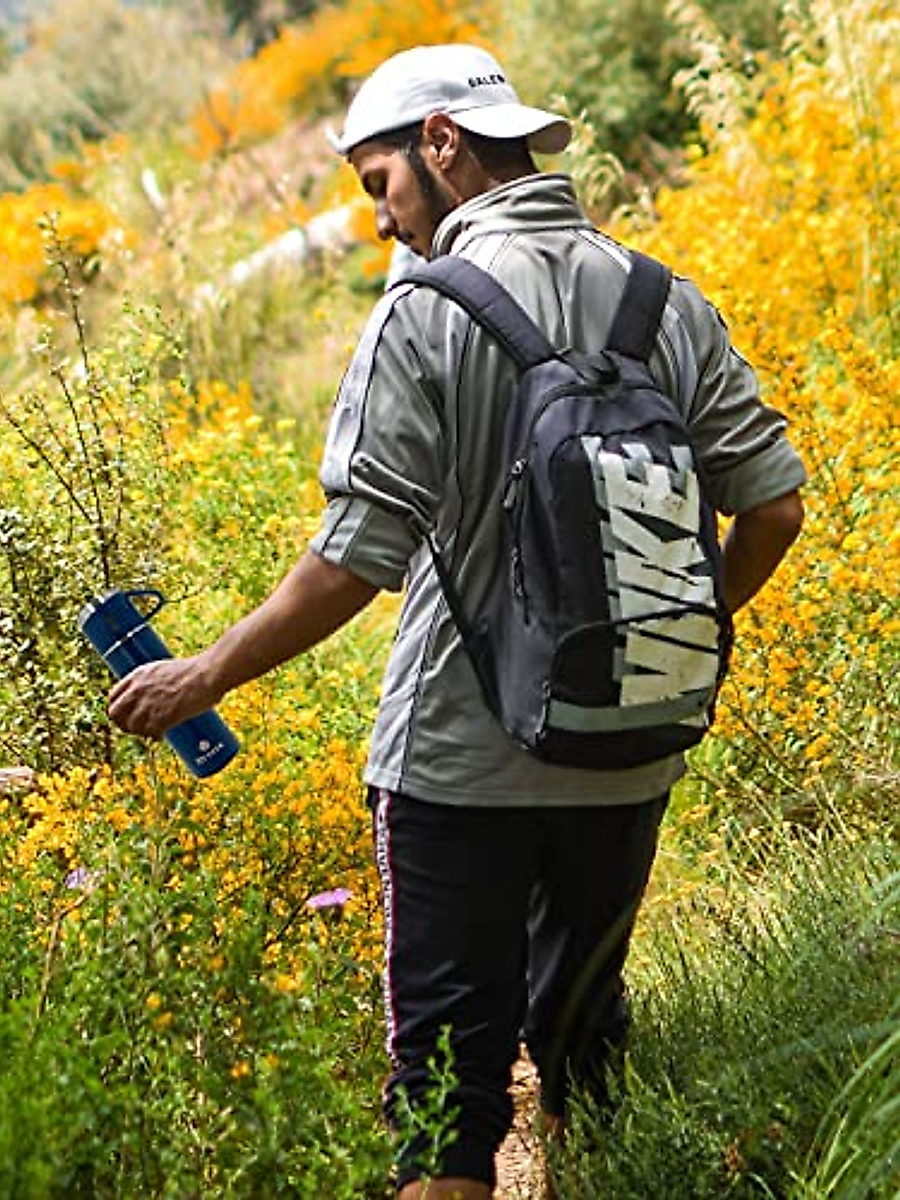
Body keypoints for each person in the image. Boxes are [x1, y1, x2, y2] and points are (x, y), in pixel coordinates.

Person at [109, 43, 805, 1198]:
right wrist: (669, 628)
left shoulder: (424, 314)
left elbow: (353, 559)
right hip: (628, 751)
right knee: (584, 1042)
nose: (382, 220)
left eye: (380, 184)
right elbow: (773, 507)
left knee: (446, 1092)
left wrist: (206, 675)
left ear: (442, 143)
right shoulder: (664, 299)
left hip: (455, 769)